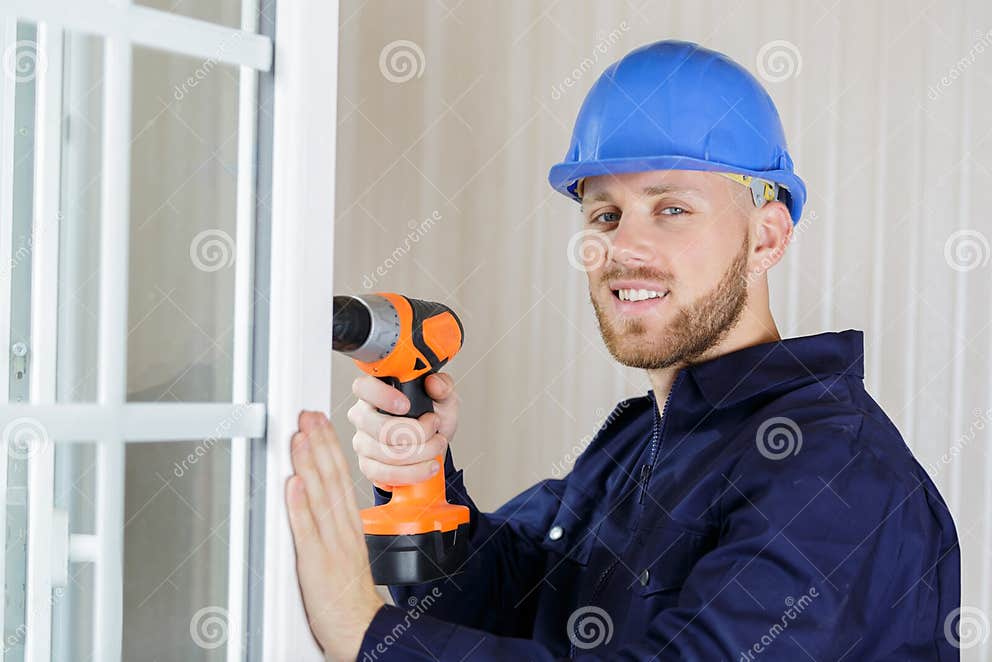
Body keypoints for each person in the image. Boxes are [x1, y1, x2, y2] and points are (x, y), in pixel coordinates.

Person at [286, 40, 961, 661]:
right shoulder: (641, 444)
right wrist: (425, 486)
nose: (624, 248)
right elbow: (511, 603)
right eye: (605, 214)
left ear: (767, 237)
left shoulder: (835, 473)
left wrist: (363, 634)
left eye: (671, 209)